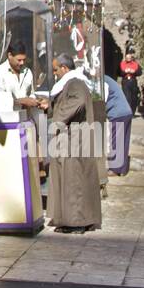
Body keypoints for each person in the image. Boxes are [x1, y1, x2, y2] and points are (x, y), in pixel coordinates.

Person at [45, 55, 103, 234]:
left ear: (64, 68)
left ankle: (77, 222)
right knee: (70, 181)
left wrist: (57, 117)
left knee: (75, 182)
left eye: (56, 70)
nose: (55, 74)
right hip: (70, 139)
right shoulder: (71, 84)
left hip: (74, 140)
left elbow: (76, 103)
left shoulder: (75, 83)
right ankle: (69, 220)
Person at [102, 73, 133, 176]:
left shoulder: (102, 81)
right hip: (125, 111)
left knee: (116, 141)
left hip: (118, 113)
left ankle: (115, 169)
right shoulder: (107, 79)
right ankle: (122, 169)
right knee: (123, 141)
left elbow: (103, 99)